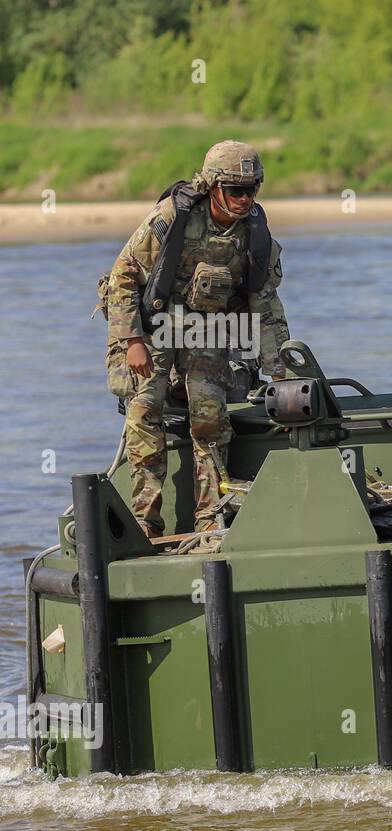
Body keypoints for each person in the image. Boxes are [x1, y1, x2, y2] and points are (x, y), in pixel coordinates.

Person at [101, 139, 290, 539]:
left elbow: (266, 303)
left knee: (210, 417)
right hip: (153, 324)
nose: (244, 198)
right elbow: (122, 278)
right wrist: (132, 339)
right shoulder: (174, 216)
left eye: (252, 189)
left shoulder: (255, 233)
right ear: (212, 186)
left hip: (207, 328)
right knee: (144, 412)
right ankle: (145, 522)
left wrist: (280, 372)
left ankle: (209, 518)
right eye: (235, 190)